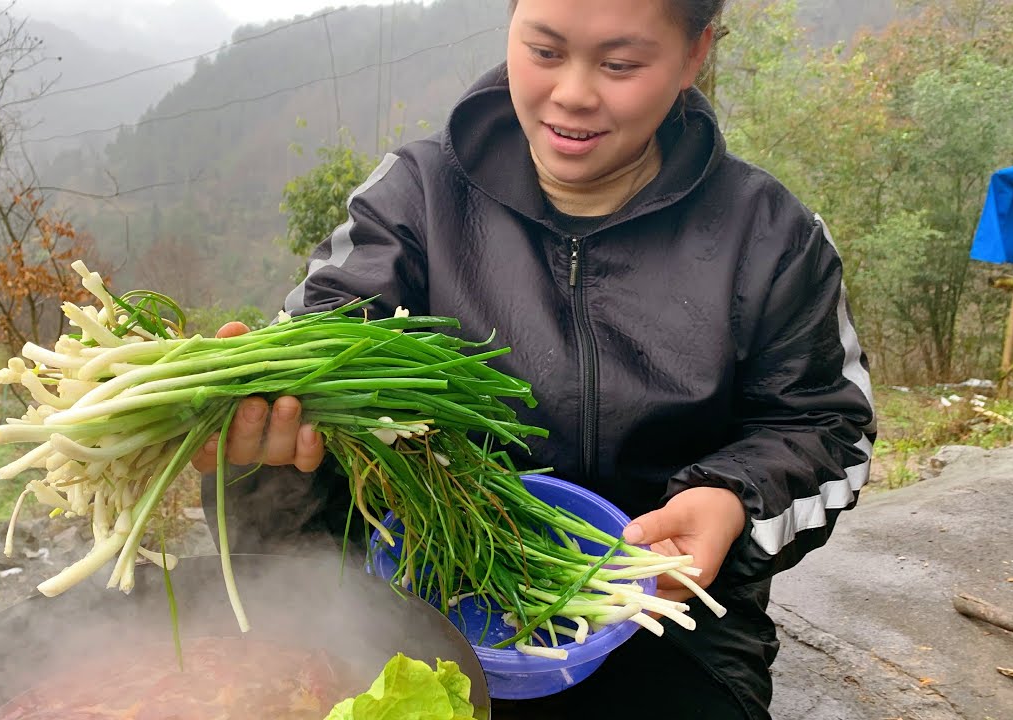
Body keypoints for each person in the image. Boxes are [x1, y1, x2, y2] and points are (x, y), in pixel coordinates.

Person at [192, 0, 876, 717]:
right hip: (421, 602)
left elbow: (829, 428)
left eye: (619, 64)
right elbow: (313, 386)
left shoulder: (770, 236)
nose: (574, 93)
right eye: (545, 51)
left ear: (693, 54)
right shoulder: (413, 201)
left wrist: (733, 500)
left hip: (666, 627)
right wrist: (252, 444)